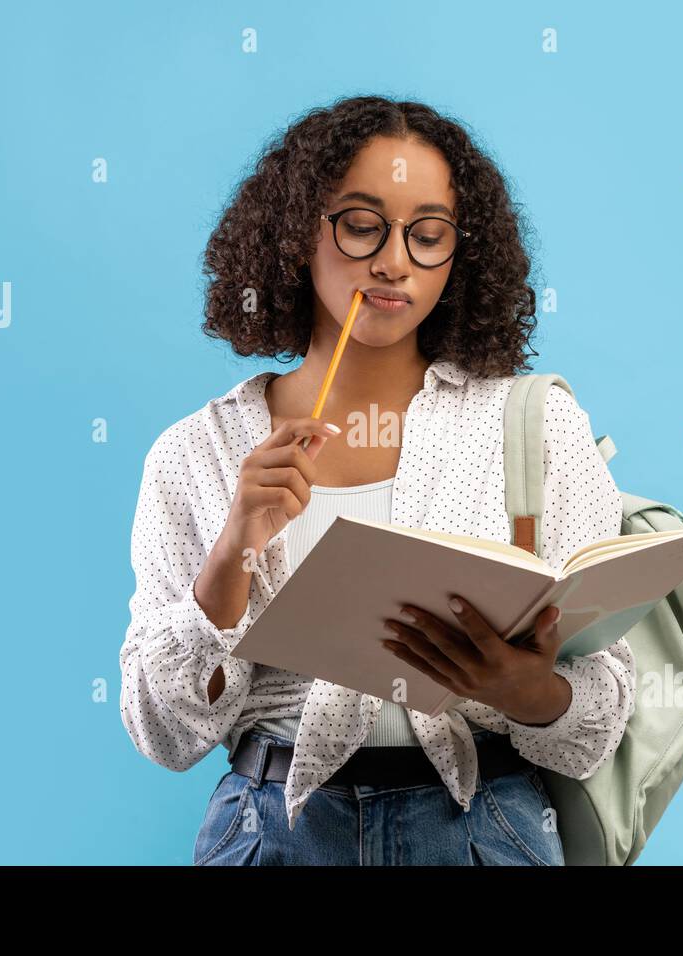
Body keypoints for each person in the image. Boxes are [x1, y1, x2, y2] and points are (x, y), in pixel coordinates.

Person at [118, 95, 636, 866]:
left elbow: (600, 724)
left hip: (482, 827)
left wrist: (523, 688)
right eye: (362, 225)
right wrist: (230, 558)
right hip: (272, 831)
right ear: (297, 234)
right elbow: (161, 735)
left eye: (428, 235)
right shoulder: (196, 452)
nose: (395, 261)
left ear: (459, 257)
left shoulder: (535, 427)